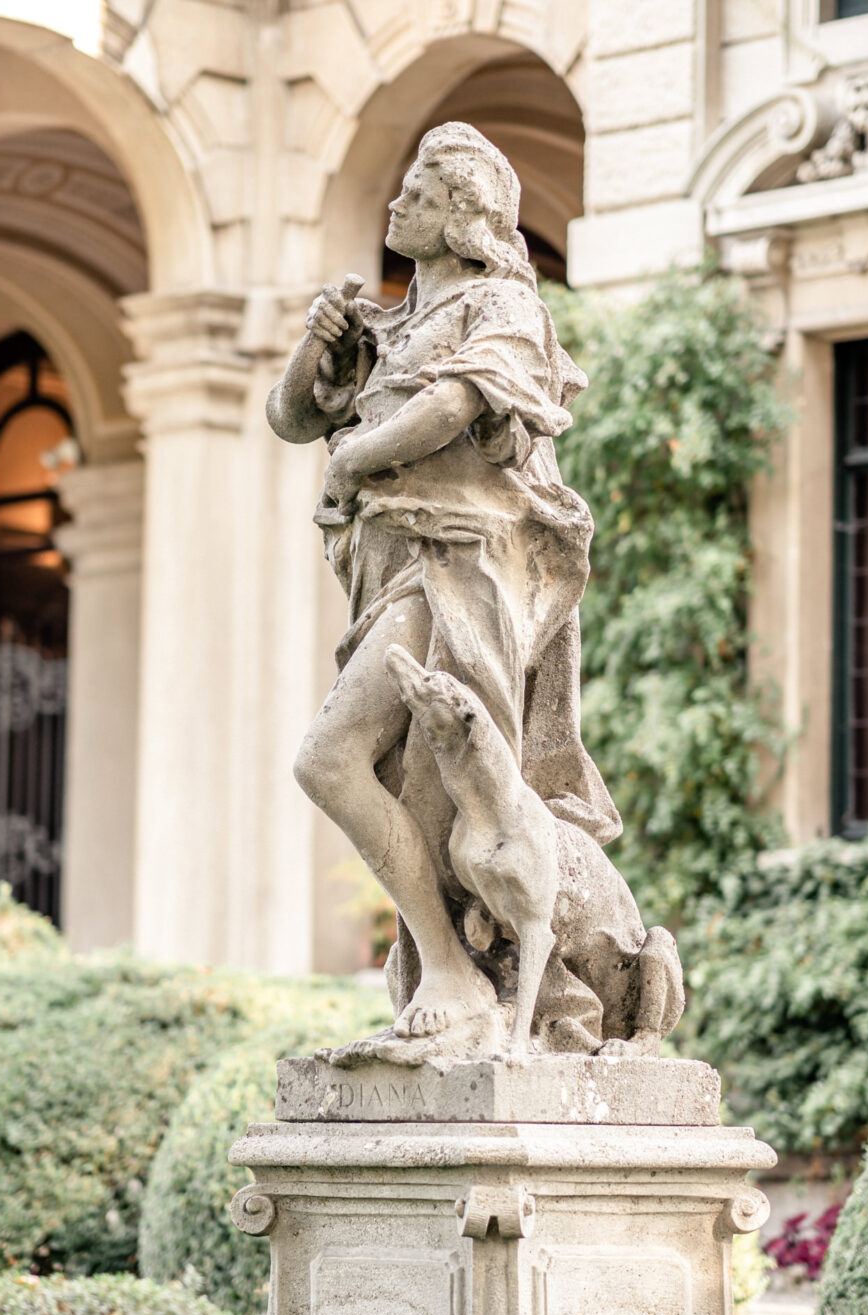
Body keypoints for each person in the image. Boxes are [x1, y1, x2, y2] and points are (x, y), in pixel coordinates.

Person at [267, 121, 619, 1053]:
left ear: (465, 216)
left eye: (418, 195)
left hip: (457, 572)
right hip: (388, 572)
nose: (396, 204)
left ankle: (455, 974)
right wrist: (317, 349)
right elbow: (291, 417)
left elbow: (454, 404)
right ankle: (452, 979)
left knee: (333, 761)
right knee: (417, 792)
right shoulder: (392, 323)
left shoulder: (502, 307)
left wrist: (358, 460)